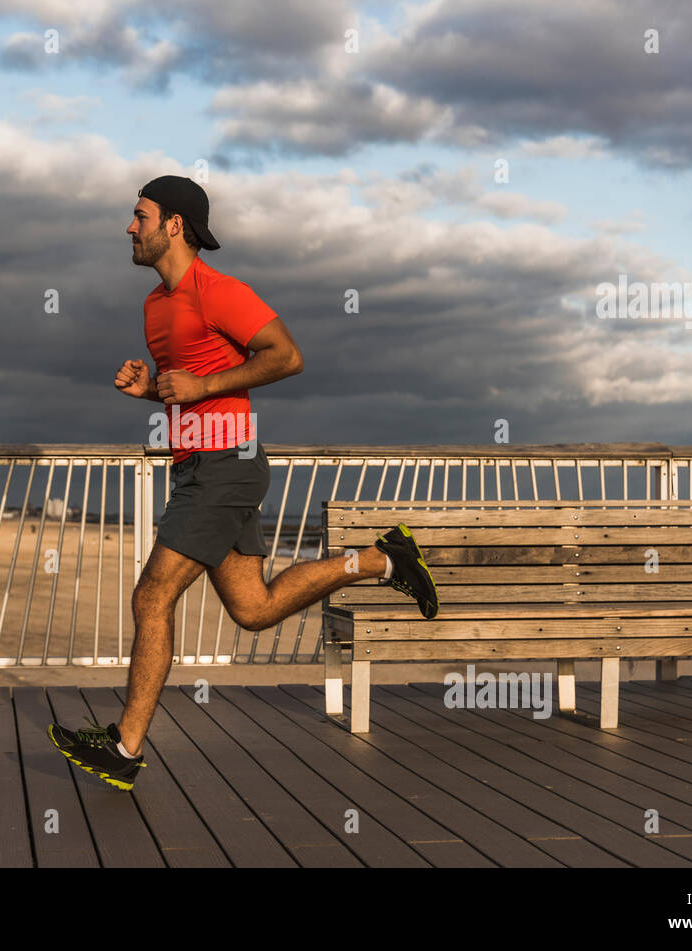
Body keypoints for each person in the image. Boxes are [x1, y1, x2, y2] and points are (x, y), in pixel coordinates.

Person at [48, 175, 439, 790]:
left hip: (228, 464)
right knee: (253, 610)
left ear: (174, 224)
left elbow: (286, 356)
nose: (130, 228)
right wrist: (149, 388)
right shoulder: (155, 305)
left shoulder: (218, 291)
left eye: (140, 216)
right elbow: (188, 384)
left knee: (151, 598)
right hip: (196, 467)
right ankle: (382, 559)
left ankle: (123, 750)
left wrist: (201, 388)